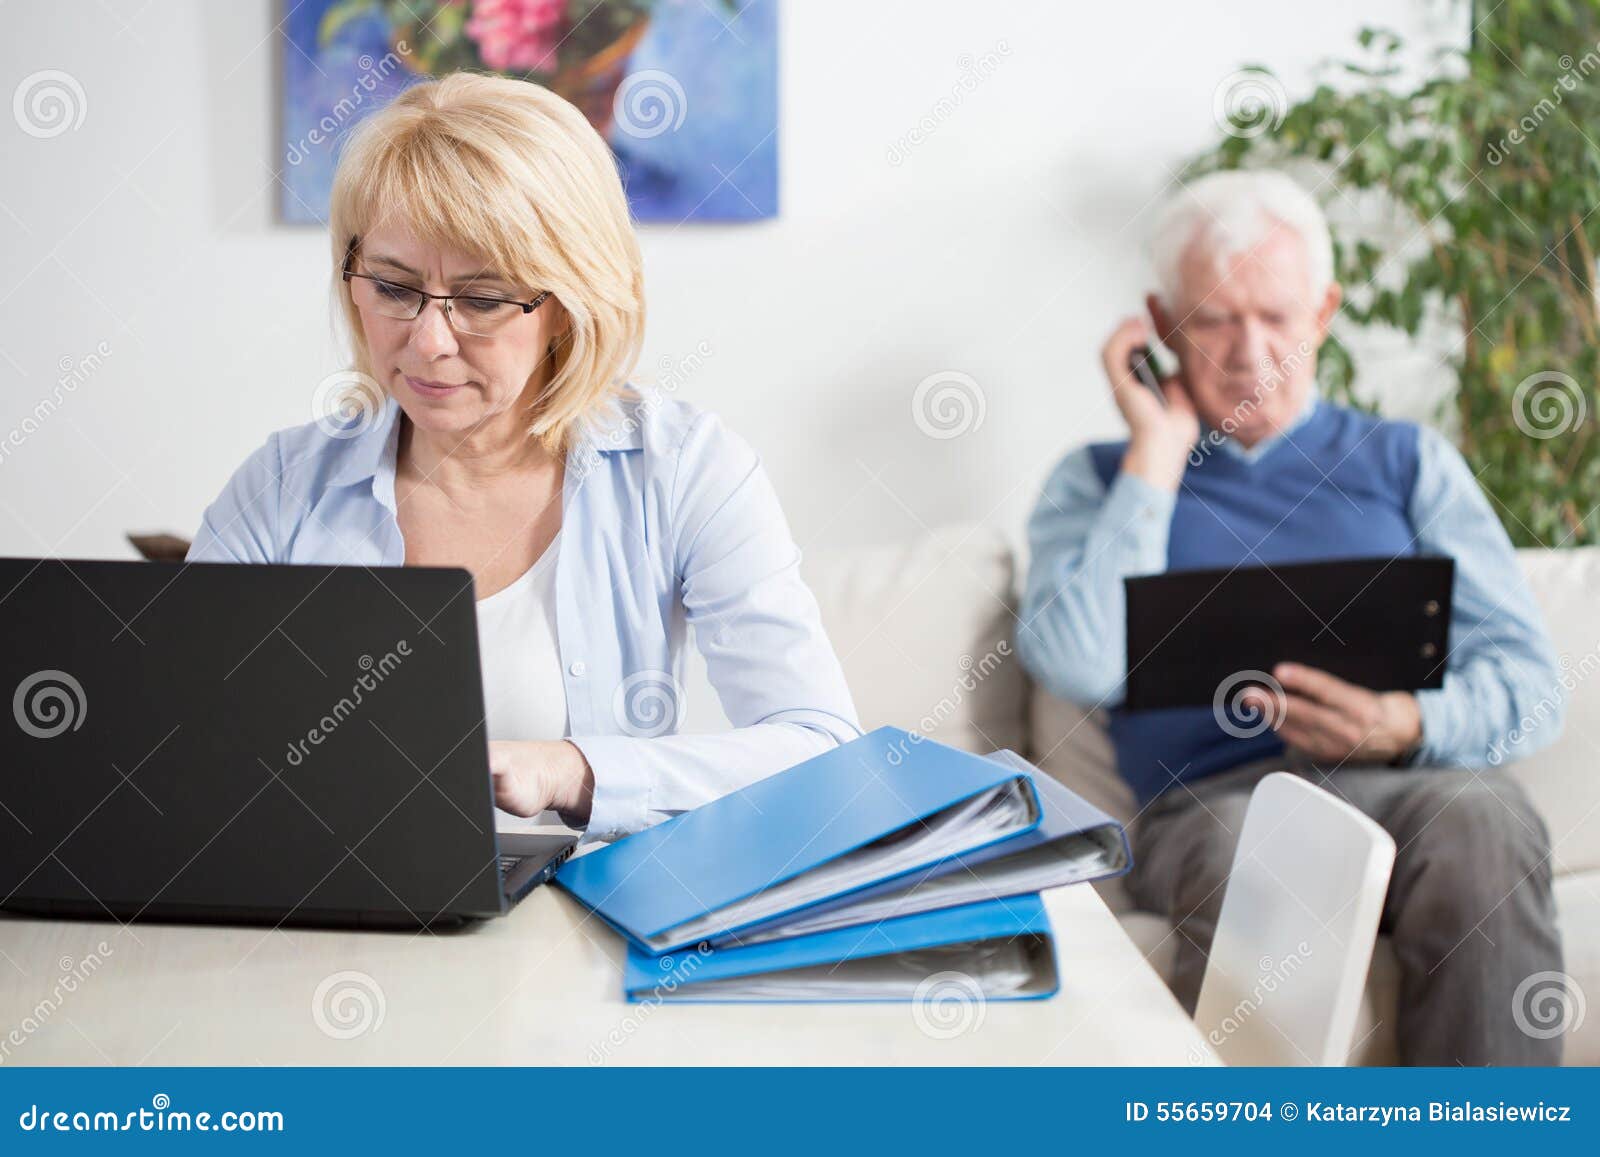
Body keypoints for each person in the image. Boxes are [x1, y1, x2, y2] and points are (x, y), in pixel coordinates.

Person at [188, 73, 859, 841]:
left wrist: (573, 771)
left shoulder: (681, 468)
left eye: (482, 299)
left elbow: (820, 748)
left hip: (578, 931)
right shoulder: (283, 486)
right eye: (394, 287)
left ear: (569, 304)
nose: (429, 341)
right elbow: (176, 747)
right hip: (324, 928)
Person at [1017, 169, 1566, 1064]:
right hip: (1215, 805)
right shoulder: (1097, 479)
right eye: (1216, 319)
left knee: (1483, 818)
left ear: (1324, 312)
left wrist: (1408, 721)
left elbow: (1536, 689)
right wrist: (1156, 454)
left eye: (1276, 315)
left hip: (1406, 780)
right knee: (1255, 850)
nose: (1248, 349)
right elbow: (1079, 664)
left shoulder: (1407, 462)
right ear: (1161, 327)